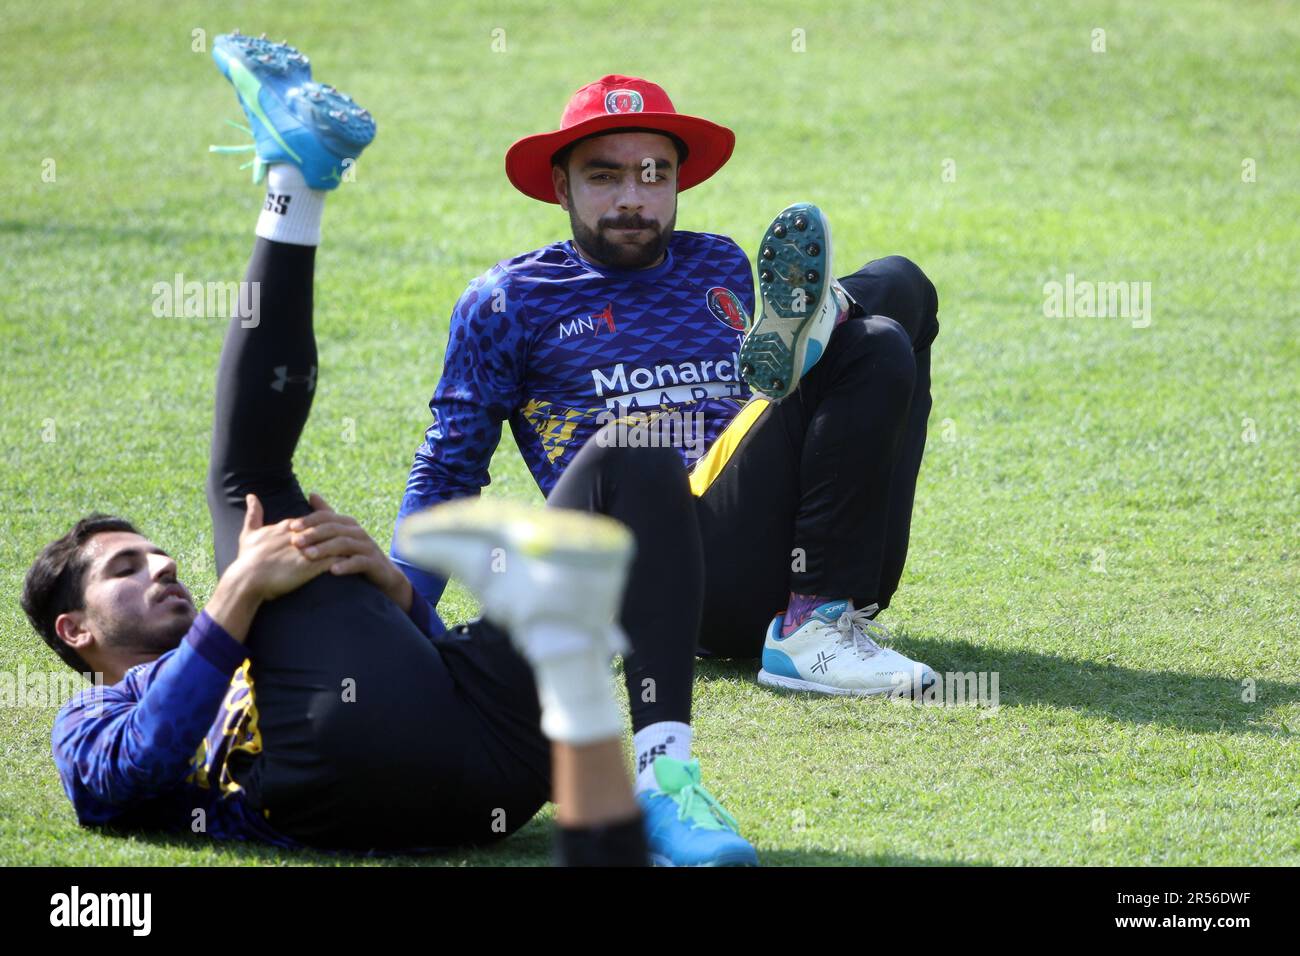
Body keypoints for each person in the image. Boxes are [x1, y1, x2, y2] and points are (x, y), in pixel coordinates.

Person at [20, 32, 757, 866]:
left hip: (503, 767)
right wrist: (236, 600)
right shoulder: (89, 716)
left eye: (157, 558)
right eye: (124, 569)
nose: (162, 568)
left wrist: (396, 598)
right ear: (74, 631)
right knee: (252, 484)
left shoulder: (281, 624)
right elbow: (119, 783)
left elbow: (433, 666)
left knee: (631, 456)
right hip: (345, 770)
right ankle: (294, 182)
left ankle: (665, 783)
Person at [392, 74, 942, 712]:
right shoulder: (508, 300)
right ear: (561, 185)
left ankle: (821, 604)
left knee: (901, 288)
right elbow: (447, 470)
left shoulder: (719, 265)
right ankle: (810, 632)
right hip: (654, 571)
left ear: (679, 179)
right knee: (871, 341)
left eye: (654, 175)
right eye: (604, 177)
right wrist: (399, 618)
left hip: (775, 539)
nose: (633, 198)